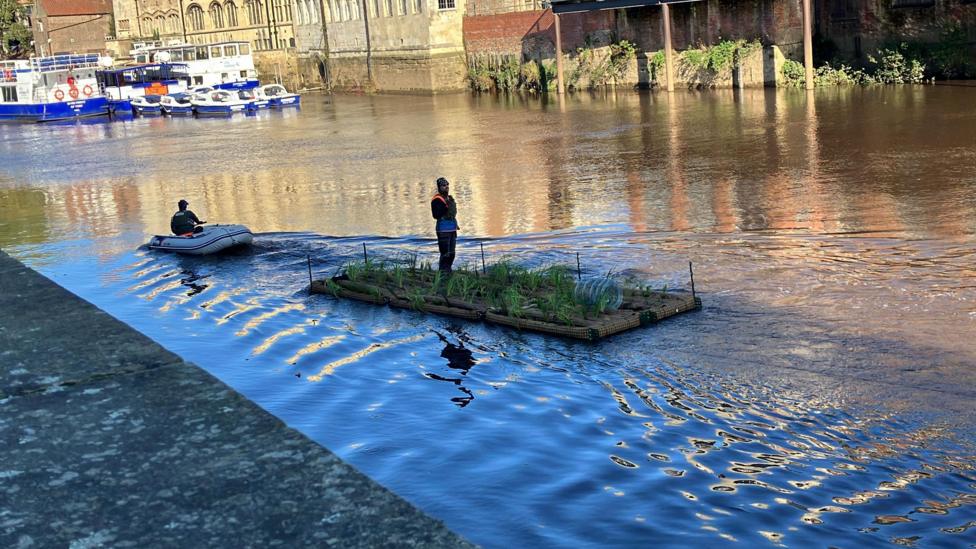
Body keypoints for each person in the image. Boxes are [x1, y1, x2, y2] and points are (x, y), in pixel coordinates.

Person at [430, 177, 458, 273]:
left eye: (447, 185)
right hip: (443, 230)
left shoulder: (449, 198)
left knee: (452, 254)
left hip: (452, 229)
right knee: (445, 254)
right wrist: (446, 206)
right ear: (439, 187)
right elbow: (435, 215)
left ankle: (448, 271)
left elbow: (452, 214)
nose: (446, 187)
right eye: (443, 185)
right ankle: (442, 273)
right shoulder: (437, 199)